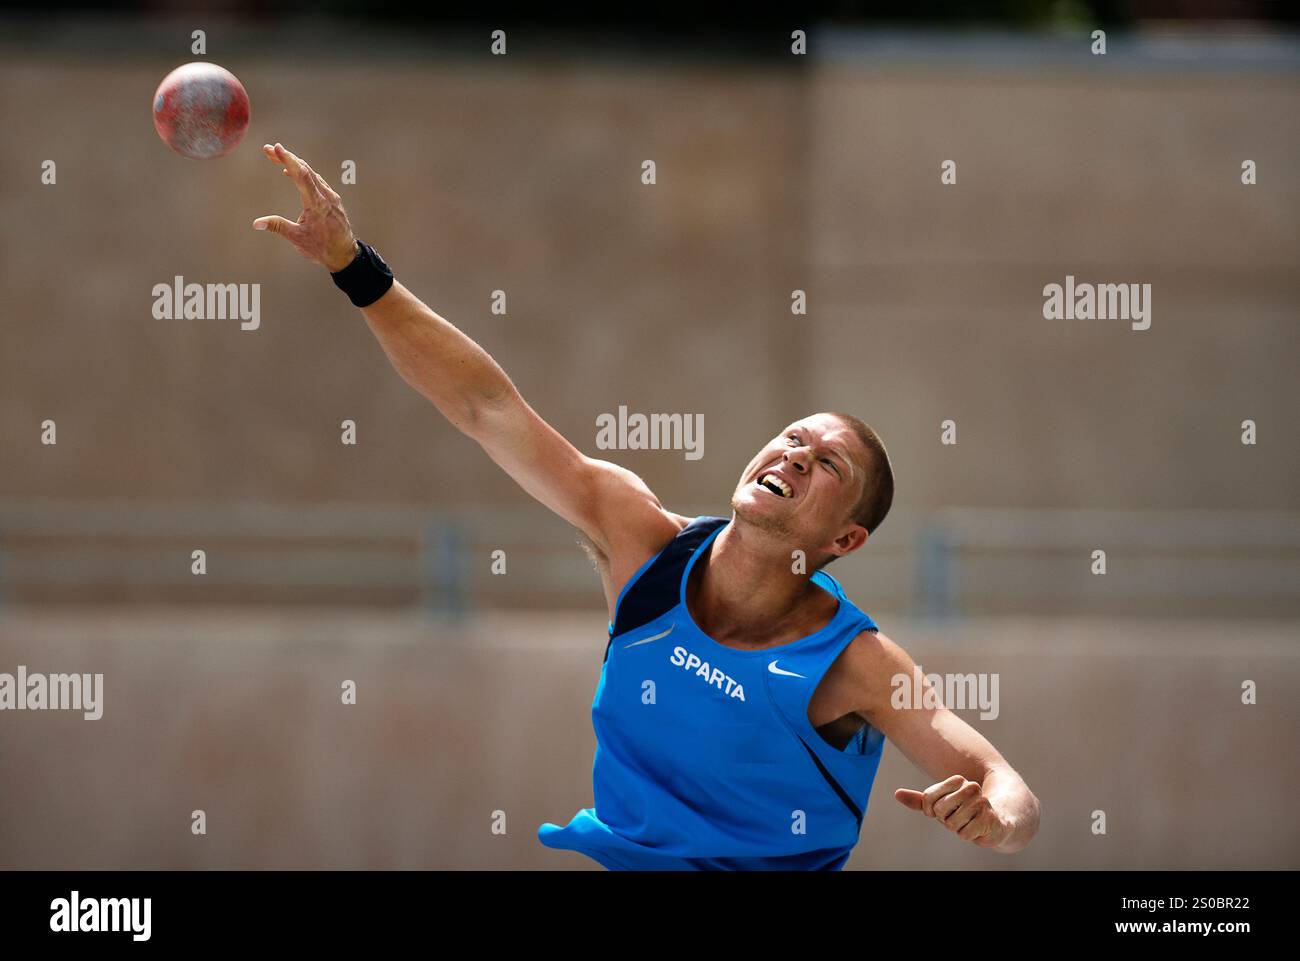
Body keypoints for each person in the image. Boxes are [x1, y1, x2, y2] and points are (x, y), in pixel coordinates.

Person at [253, 142, 1040, 870]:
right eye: (794, 437)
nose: (796, 453)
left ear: (848, 537)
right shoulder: (641, 541)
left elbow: (1004, 784)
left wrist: (995, 818)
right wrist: (352, 266)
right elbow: (487, 407)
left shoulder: (853, 663)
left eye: (828, 462)